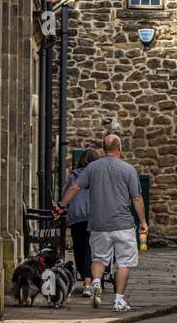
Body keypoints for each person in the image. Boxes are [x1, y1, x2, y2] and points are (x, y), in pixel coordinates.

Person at [56, 133, 147, 313]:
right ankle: (118, 300)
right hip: (123, 224)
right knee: (124, 262)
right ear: (119, 148)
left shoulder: (92, 168)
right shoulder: (128, 169)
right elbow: (137, 198)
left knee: (98, 258)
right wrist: (143, 221)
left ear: (104, 149)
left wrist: (61, 205)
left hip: (98, 224)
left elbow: (75, 187)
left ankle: (96, 281)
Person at [60, 148, 100, 297]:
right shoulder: (99, 176)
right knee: (92, 249)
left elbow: (66, 193)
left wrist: (61, 206)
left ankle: (87, 281)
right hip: (95, 217)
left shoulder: (74, 176)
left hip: (77, 218)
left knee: (79, 249)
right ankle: (90, 281)